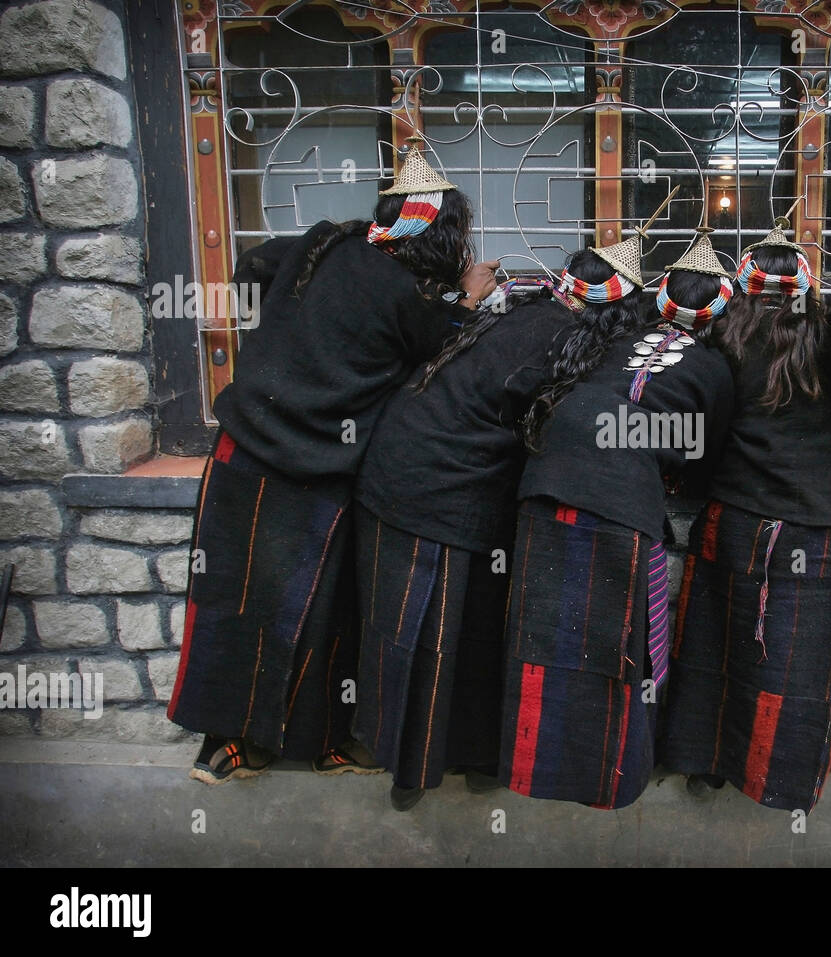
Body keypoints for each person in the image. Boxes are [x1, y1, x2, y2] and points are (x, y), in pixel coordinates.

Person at [169, 138, 499, 784]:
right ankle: (287, 743)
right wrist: (466, 297)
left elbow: (253, 267)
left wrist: (279, 340)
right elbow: (450, 348)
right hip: (305, 473)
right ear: (438, 238)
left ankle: (231, 745)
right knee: (301, 611)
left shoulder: (324, 242)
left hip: (241, 451)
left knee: (232, 603)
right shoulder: (411, 299)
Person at [498, 219, 735, 810]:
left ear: (660, 298)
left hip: (546, 481)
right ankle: (609, 778)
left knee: (542, 639)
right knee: (619, 647)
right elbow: (697, 453)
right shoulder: (712, 369)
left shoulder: (615, 342)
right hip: (620, 502)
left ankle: (532, 765)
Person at [351, 275, 583, 812]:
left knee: (406, 630)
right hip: (444, 489)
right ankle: (425, 767)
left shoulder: (517, 315)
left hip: (397, 472)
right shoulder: (572, 342)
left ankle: (413, 756)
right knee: (443, 634)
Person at [660, 220, 831, 813]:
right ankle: (781, 780)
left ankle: (705, 764)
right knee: (796, 669)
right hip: (816, 523)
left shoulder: (725, 341)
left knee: (715, 651)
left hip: (738, 516)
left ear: (743, 286)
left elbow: (702, 436)